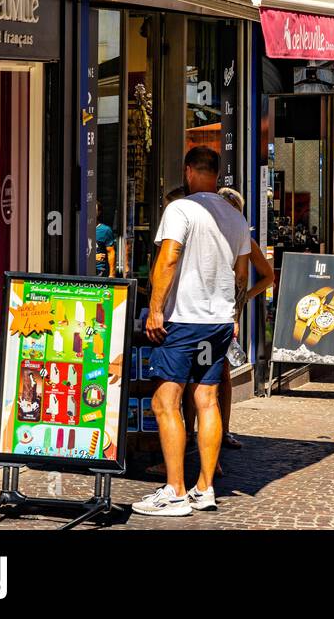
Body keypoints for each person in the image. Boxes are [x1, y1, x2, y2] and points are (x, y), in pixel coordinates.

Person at [133, 146, 250, 517]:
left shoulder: (180, 209)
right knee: (207, 401)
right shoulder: (234, 217)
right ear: (217, 174)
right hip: (217, 322)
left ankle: (175, 490)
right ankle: (205, 487)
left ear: (187, 171)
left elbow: (168, 258)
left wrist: (155, 310)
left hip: (183, 318)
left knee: (165, 402)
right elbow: (242, 275)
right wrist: (233, 314)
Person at [216, 187, 274, 452]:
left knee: (222, 374)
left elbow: (267, 276)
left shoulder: (241, 238)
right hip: (210, 309)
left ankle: (223, 430)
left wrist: (244, 299)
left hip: (227, 312)